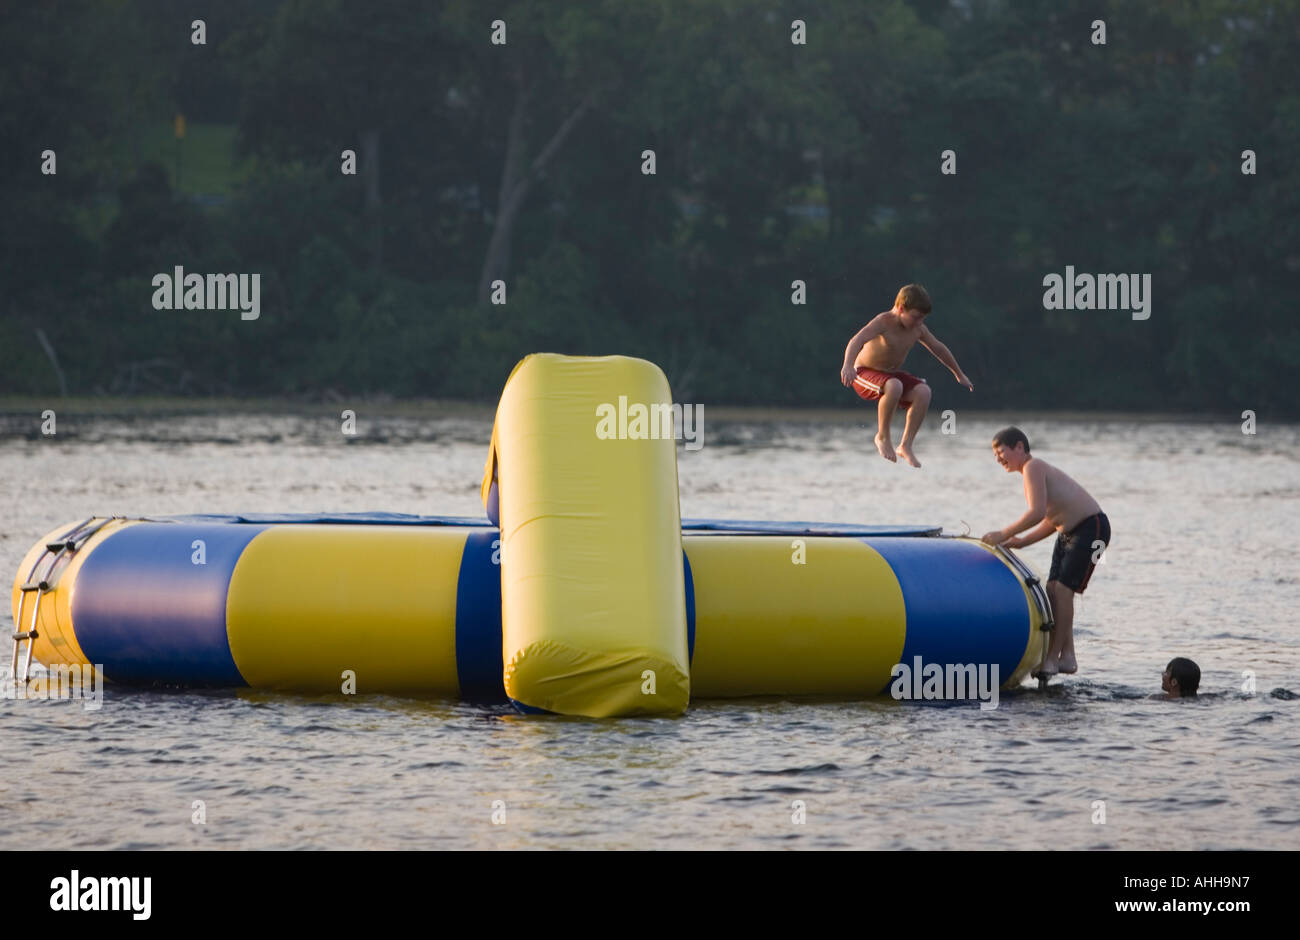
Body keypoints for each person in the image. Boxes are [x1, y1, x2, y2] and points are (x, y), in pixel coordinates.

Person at [980, 427, 1110, 678]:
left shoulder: (1033, 466)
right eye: (995, 455)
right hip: (1068, 532)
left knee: (1063, 590)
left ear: (1019, 447)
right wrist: (1022, 541)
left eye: (1001, 451)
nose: (998, 459)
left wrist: (1003, 533)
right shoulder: (1030, 473)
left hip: (1092, 528)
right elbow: (1052, 519)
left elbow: (1037, 512)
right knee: (1052, 589)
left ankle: (1053, 658)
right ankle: (1068, 656)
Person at [839, 284, 973, 467]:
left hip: (890, 375)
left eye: (923, 319)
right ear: (901, 308)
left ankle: (906, 445)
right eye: (916, 317)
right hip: (863, 373)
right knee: (894, 386)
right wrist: (847, 365)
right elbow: (857, 340)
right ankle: (882, 436)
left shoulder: (918, 329)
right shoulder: (883, 321)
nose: (919, 323)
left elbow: (939, 349)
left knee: (924, 392)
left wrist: (959, 374)